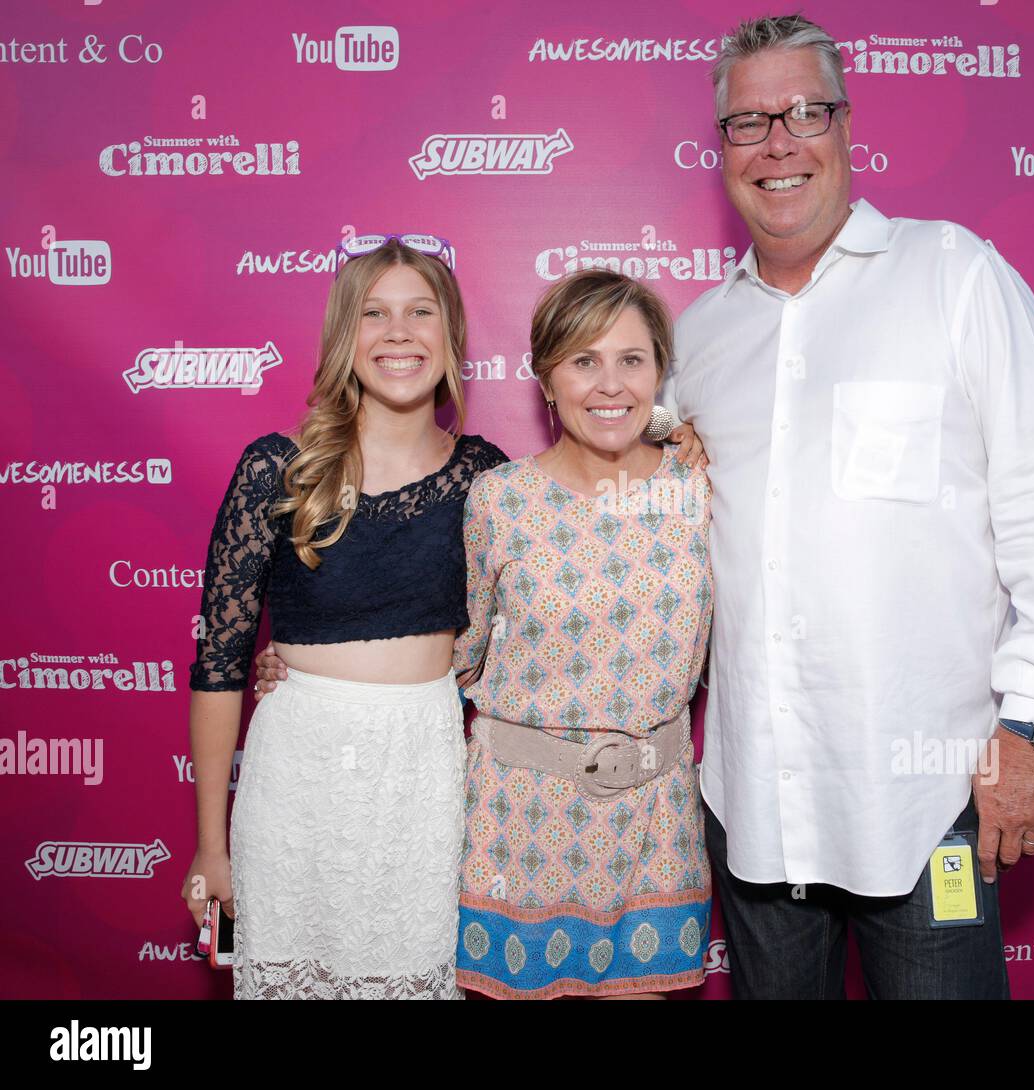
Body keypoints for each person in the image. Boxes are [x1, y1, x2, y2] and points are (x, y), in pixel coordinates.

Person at [657, 15, 1034, 998]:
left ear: (845, 125)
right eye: (748, 123)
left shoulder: (955, 276)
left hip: (926, 802)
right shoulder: (696, 339)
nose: (777, 143)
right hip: (754, 808)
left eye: (804, 112)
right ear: (720, 148)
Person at [181, 234, 508, 999]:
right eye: (374, 314)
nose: (398, 332)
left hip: (425, 778)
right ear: (342, 338)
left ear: (450, 336)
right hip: (298, 776)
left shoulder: (487, 478)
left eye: (420, 311)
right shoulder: (277, 468)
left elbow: (530, 631)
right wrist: (209, 846)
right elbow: (219, 666)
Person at [451, 270, 714, 999]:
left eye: (632, 359)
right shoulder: (498, 500)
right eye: (583, 360)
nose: (611, 384)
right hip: (517, 819)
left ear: (661, 370)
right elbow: (458, 655)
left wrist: (676, 430)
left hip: (654, 824)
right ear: (544, 378)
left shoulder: (699, 489)